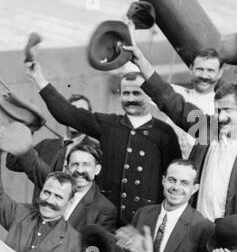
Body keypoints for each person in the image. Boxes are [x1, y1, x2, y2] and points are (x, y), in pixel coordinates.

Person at [130, 43, 237, 252]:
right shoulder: (207, 128)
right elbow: (172, 102)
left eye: (228, 111)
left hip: (231, 246)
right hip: (193, 231)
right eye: (218, 111)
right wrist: (141, 61)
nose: (221, 118)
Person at [27, 56, 181, 223]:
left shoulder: (164, 133)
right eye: (126, 93)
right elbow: (66, 113)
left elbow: (174, 181)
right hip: (104, 220)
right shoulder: (108, 124)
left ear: (149, 96)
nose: (130, 99)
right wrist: (39, 78)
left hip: (143, 222)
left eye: (136, 93)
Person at [0, 125, 87, 252]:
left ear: (70, 201)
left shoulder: (75, 243)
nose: (49, 200)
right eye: (47, 192)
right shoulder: (21, 215)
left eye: (58, 197)